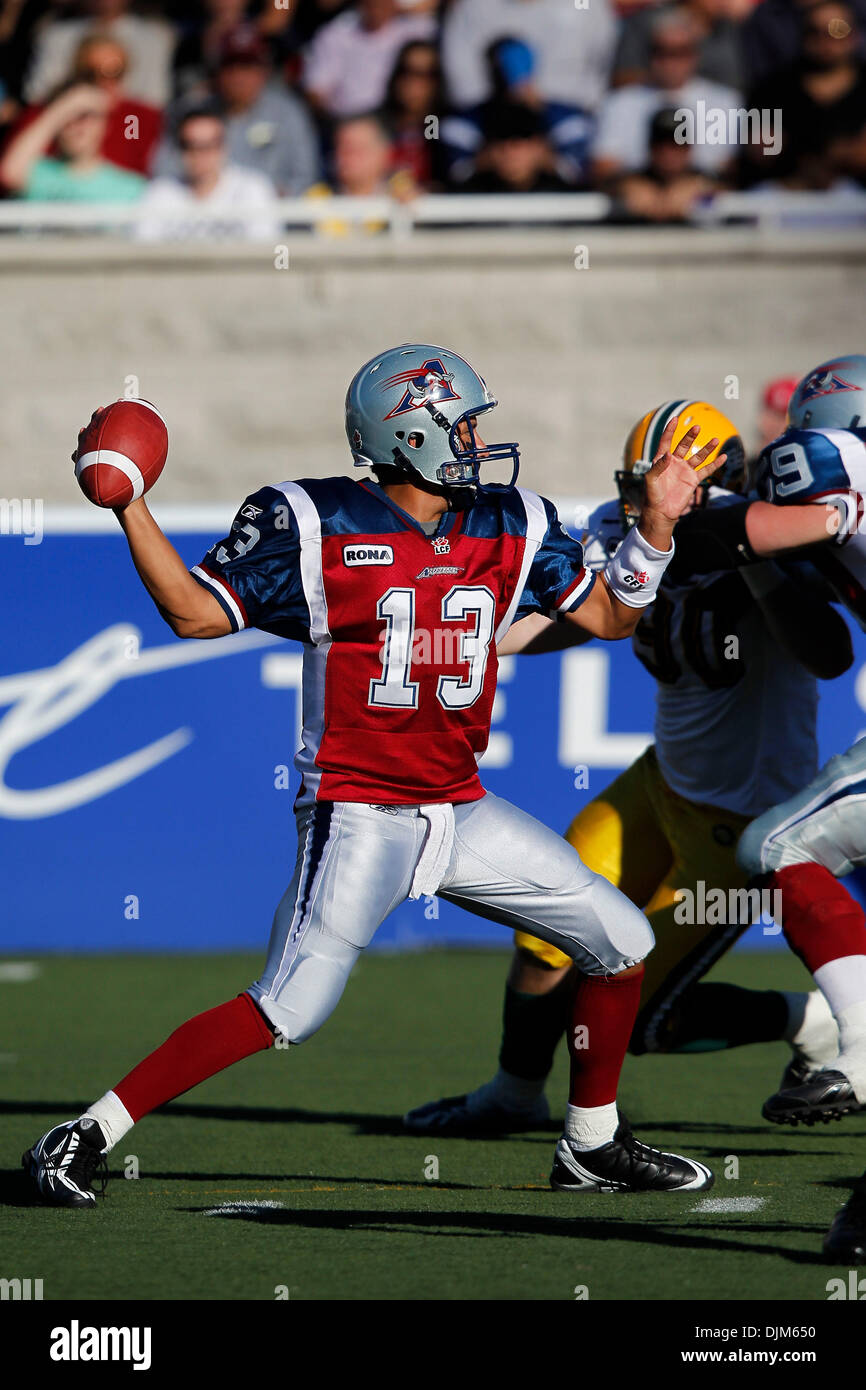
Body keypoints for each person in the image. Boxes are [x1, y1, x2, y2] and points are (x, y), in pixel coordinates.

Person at [22, 343, 723, 1209]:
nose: (475, 439)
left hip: (459, 808)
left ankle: (592, 1143)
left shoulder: (513, 521)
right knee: (289, 1009)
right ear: (412, 432)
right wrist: (132, 507)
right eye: (462, 423)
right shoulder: (317, 522)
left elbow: (614, 616)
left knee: (621, 941)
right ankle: (81, 1136)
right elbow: (195, 613)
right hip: (358, 812)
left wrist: (656, 525)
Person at [405, 399, 851, 1138]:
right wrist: (481, 642)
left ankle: (806, 1021)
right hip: (659, 781)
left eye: (669, 481)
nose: (647, 498)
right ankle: (515, 1093)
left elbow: (829, 655)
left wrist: (758, 569)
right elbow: (587, 616)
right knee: (542, 924)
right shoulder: (631, 529)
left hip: (741, 819)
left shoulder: (767, 540)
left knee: (643, 1014)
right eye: (639, 481)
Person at [735, 354, 866, 1125]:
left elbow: (765, 508)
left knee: (780, 846)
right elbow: (829, 652)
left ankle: (858, 1049)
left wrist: (705, 516)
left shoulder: (839, 457)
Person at [157, 24, 320, 196]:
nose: (239, 76)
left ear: (264, 71)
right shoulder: (193, 110)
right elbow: (163, 169)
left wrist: (265, 199)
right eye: (231, 66)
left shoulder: (287, 112)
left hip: (272, 213)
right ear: (217, 72)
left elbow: (306, 176)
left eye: (248, 66)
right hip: (201, 212)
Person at [592, 8, 742, 186]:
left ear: (695, 55)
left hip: (704, 206)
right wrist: (631, 185)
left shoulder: (726, 103)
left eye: (680, 52)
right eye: (661, 52)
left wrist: (696, 185)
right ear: (648, 55)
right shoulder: (619, 103)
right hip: (634, 207)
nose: (670, 62)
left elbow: (731, 168)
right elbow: (601, 167)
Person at [136, 104, 279, 242]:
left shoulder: (253, 189)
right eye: (190, 145)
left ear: (224, 146)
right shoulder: (161, 193)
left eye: (209, 145)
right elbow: (144, 253)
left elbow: (263, 254)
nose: (200, 154)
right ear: (179, 149)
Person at [0, 80, 145, 201]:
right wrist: (65, 106)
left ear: (106, 123)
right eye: (69, 116)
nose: (77, 126)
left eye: (87, 115)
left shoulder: (131, 188)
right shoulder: (36, 172)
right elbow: (10, 175)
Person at [24, 0, 175, 108]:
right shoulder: (56, 36)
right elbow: (37, 94)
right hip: (68, 120)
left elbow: (155, 100)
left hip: (128, 124)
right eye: (91, 72)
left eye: (114, 72)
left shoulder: (153, 38)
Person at [303, 0, 435, 120]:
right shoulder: (336, 33)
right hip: (349, 122)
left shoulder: (417, 30)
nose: (377, 5)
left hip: (400, 122)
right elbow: (317, 90)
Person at [611, 106, 723, 222]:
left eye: (676, 145)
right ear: (650, 147)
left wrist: (701, 187)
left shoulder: (703, 177)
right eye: (660, 145)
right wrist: (627, 187)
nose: (668, 153)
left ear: (689, 148)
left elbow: (728, 183)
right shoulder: (635, 179)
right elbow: (605, 183)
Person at [460, 102, 573, 194]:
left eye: (519, 141)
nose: (509, 152)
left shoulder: (570, 197)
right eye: (501, 141)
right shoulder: (465, 196)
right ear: (487, 151)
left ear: (541, 148)